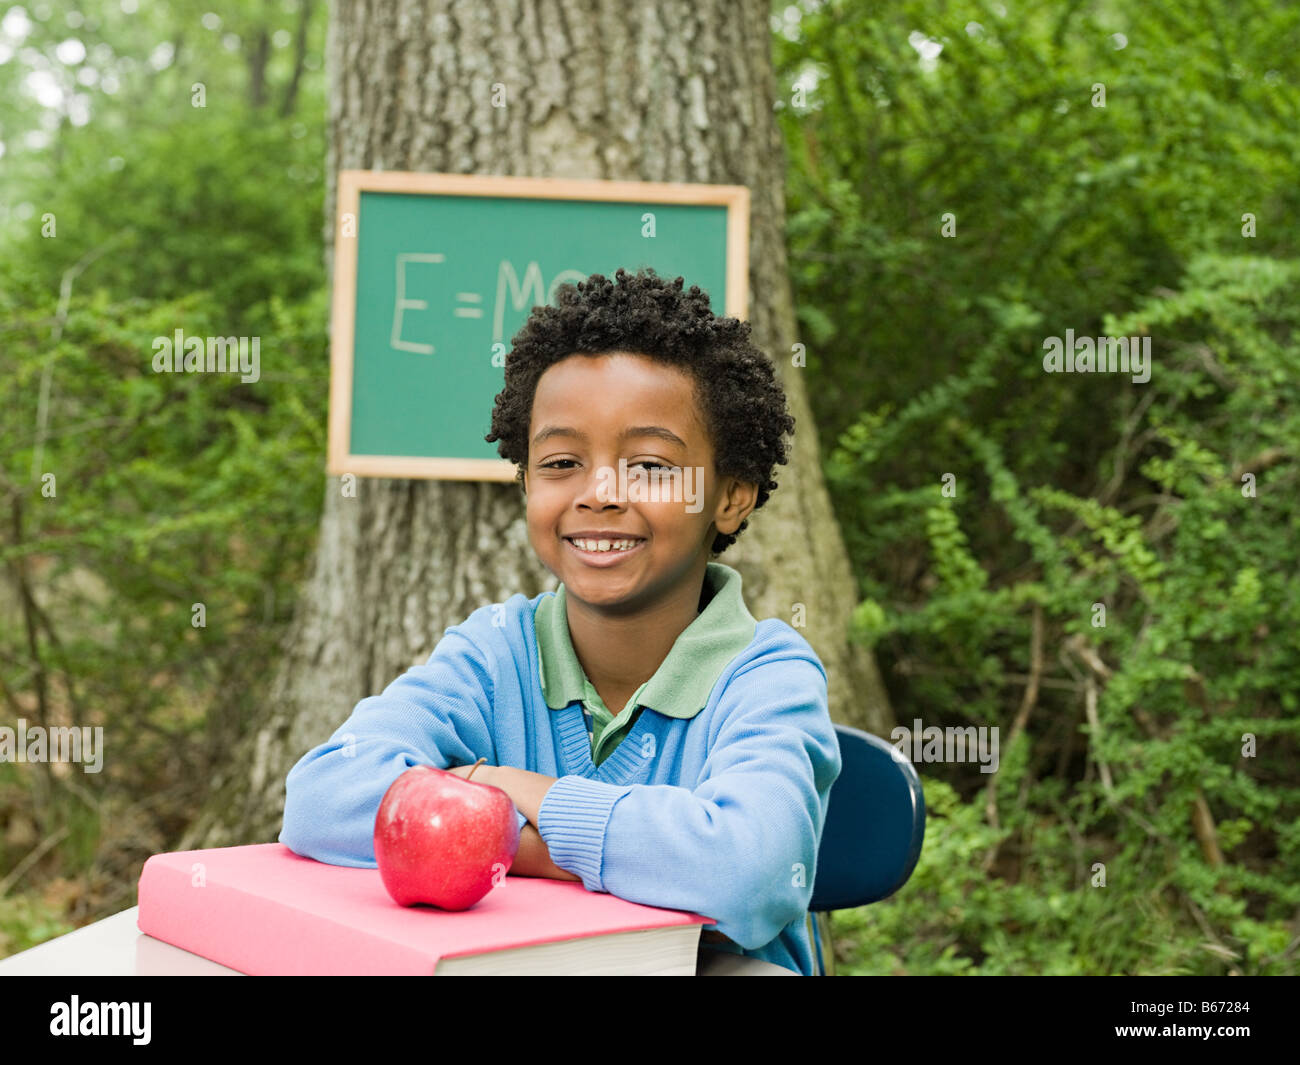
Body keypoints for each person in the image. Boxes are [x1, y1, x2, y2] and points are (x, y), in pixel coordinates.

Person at [279, 266, 842, 976]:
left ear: (731, 497)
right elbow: (323, 796)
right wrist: (563, 848)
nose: (599, 494)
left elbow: (744, 874)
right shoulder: (495, 653)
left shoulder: (767, 675)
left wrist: (502, 785)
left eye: (649, 465)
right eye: (562, 461)